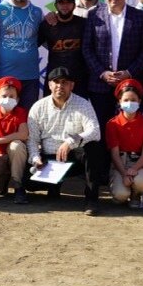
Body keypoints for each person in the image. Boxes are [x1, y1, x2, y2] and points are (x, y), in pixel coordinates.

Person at [26, 67, 102, 215]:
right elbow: (32, 140)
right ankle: (53, 186)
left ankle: (91, 199)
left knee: (93, 148)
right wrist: (35, 158)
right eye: (56, 82)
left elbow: (95, 132)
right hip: (48, 160)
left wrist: (71, 142)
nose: (60, 86)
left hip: (72, 159)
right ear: (49, 85)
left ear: (71, 86)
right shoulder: (38, 107)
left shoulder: (83, 104)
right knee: (27, 182)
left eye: (64, 82)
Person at [82, 0, 143, 133]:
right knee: (100, 129)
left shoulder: (140, 17)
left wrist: (129, 73)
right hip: (100, 85)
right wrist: (103, 73)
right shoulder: (93, 15)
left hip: (131, 85)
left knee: (130, 130)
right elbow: (87, 48)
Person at [105, 79, 143, 208]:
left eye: (133, 100)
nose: (129, 103)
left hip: (139, 162)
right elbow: (114, 154)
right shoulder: (112, 124)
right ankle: (122, 191)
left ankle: (136, 194)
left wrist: (134, 169)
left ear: (139, 101)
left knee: (142, 182)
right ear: (119, 102)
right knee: (120, 195)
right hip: (120, 162)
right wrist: (124, 173)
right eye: (125, 100)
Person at [0, 76, 29, 204]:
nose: (8, 99)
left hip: (15, 154)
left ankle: (18, 186)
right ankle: (3, 185)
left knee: (16, 145)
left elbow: (23, 134)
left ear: (17, 99)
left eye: (12, 96)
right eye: (4, 96)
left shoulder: (20, 112)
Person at [38, 0, 88, 93]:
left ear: (74, 5)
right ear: (56, 5)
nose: (65, 6)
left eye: (68, 2)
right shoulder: (47, 24)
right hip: (54, 79)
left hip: (78, 80)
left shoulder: (84, 24)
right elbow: (31, 45)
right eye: (61, 2)